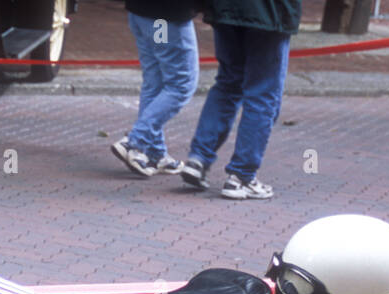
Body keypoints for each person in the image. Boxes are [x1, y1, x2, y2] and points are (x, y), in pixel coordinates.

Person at [179, 0, 300, 200]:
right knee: (262, 93)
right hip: (269, 14)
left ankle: (198, 158)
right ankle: (241, 175)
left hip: (227, 10)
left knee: (228, 83)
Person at [110, 1, 200, 177]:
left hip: (142, 13)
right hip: (164, 18)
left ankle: (155, 153)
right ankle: (135, 142)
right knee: (181, 85)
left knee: (155, 81)